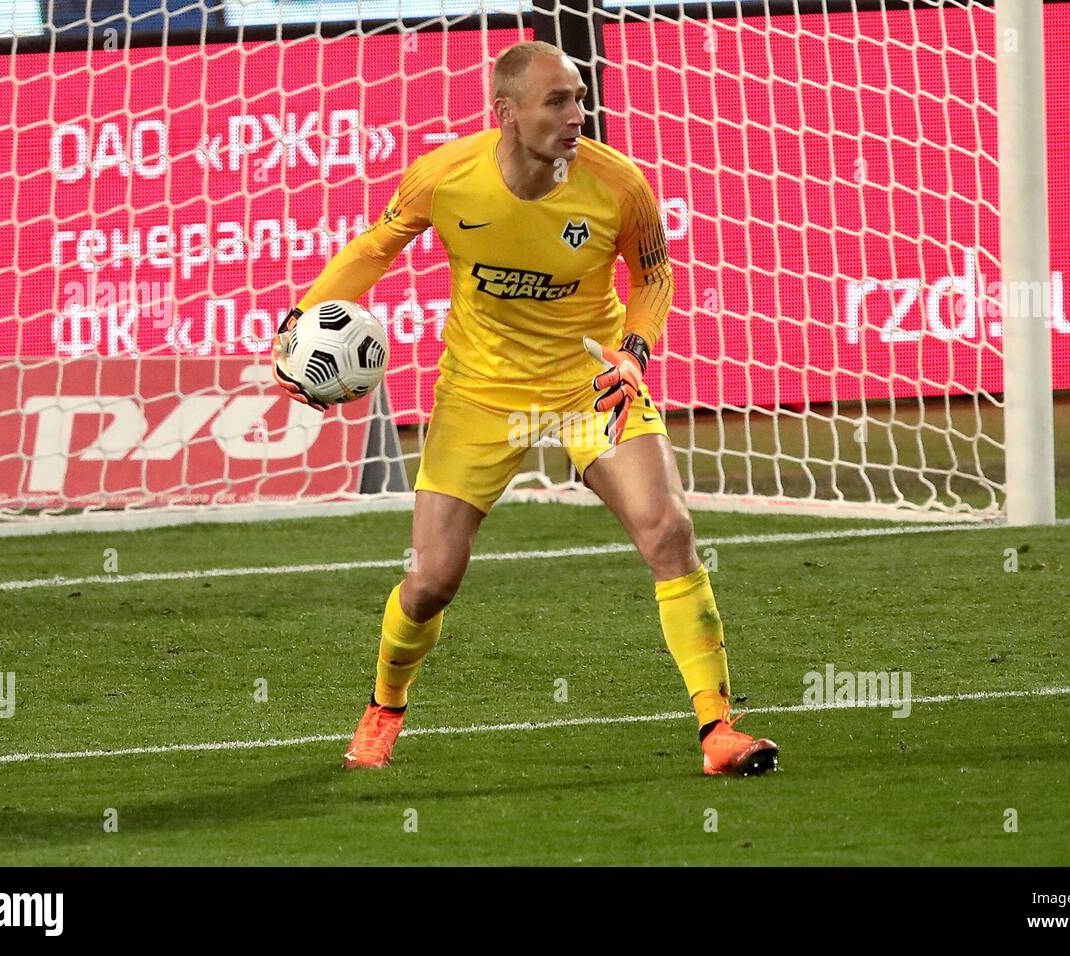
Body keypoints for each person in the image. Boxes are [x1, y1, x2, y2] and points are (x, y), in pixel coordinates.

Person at [273, 41, 778, 777]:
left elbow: (654, 274)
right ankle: (385, 708)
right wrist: (303, 318)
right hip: (480, 390)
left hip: (589, 383)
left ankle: (718, 731)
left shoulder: (617, 184)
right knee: (431, 579)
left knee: (668, 530)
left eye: (579, 98)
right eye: (558, 101)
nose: (578, 114)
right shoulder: (446, 178)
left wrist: (634, 351)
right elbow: (377, 248)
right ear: (506, 113)